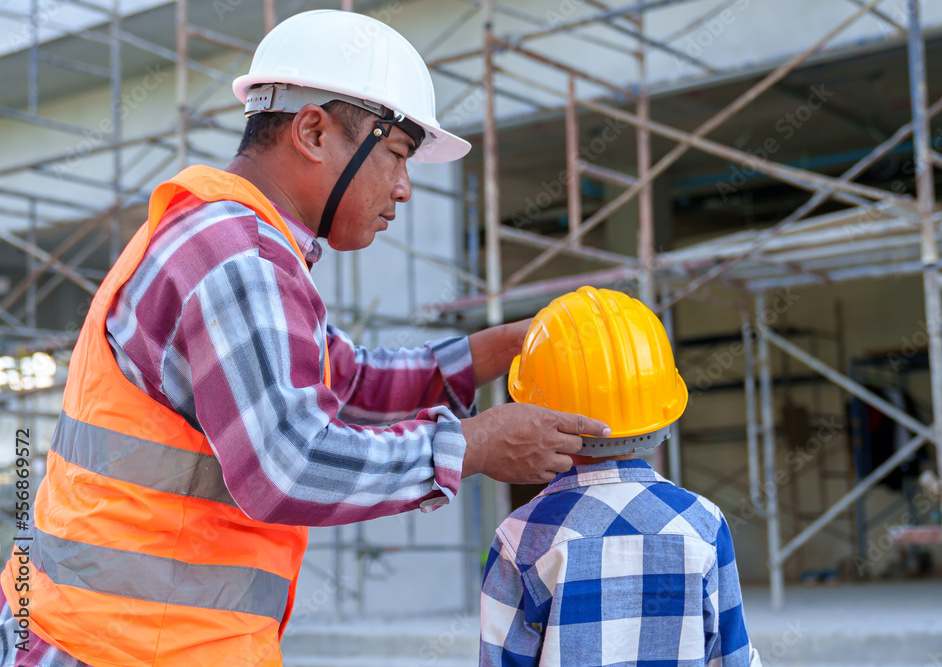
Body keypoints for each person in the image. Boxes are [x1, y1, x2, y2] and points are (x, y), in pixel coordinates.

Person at [0, 11, 610, 667]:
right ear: (313, 131)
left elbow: (350, 383)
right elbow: (289, 465)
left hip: (117, 632)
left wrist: (510, 343)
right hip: (116, 642)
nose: (404, 188)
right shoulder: (232, 256)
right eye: (398, 156)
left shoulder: (247, 248)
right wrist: (480, 443)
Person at [480, 287, 762, 667]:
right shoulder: (704, 523)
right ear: (662, 407)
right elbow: (733, 660)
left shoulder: (521, 538)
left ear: (534, 413)